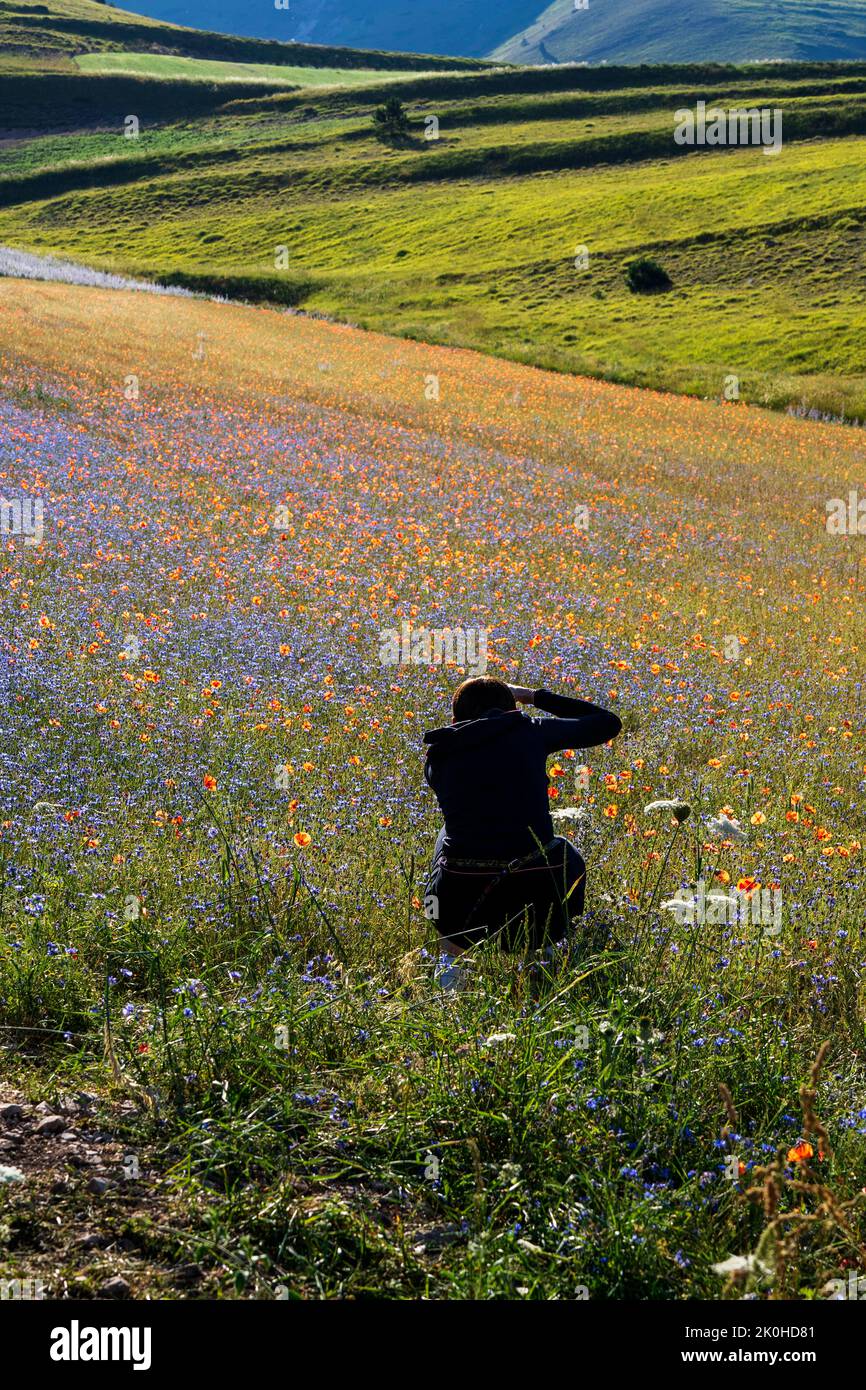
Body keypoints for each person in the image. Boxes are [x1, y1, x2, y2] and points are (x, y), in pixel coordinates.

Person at [423, 678, 621, 964]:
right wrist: (532, 696)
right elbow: (607, 722)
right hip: (538, 892)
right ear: (512, 710)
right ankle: (549, 953)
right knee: (565, 853)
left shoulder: (438, 754)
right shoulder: (529, 732)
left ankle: (451, 965)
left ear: (454, 719)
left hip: (457, 905)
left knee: (446, 839)